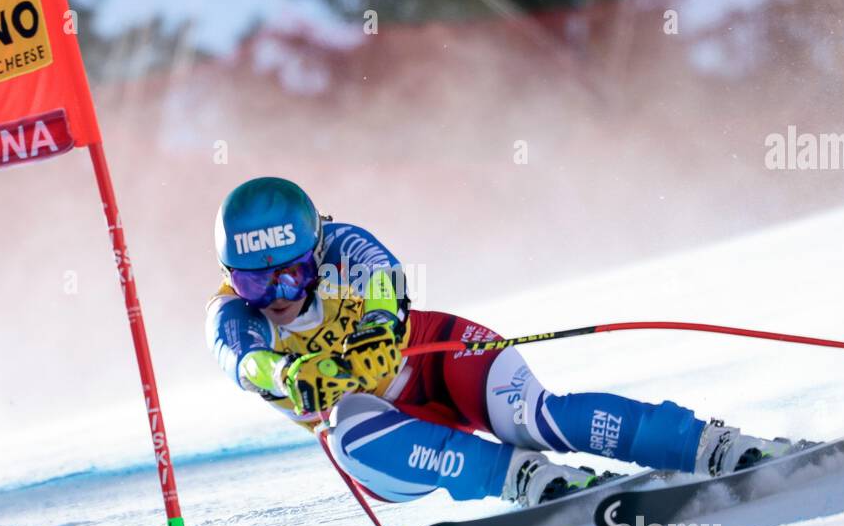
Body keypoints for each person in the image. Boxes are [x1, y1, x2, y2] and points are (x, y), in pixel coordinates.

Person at [206, 177, 793, 507]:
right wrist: (286, 376)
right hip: (387, 446)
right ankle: (519, 478)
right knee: (349, 424)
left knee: (531, 416)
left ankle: (707, 445)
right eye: (258, 279)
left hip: (437, 358)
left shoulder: (342, 244)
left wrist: (382, 326)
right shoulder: (232, 315)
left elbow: (383, 278)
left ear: (315, 250)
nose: (281, 291)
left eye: (295, 272)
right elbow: (244, 361)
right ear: (233, 277)